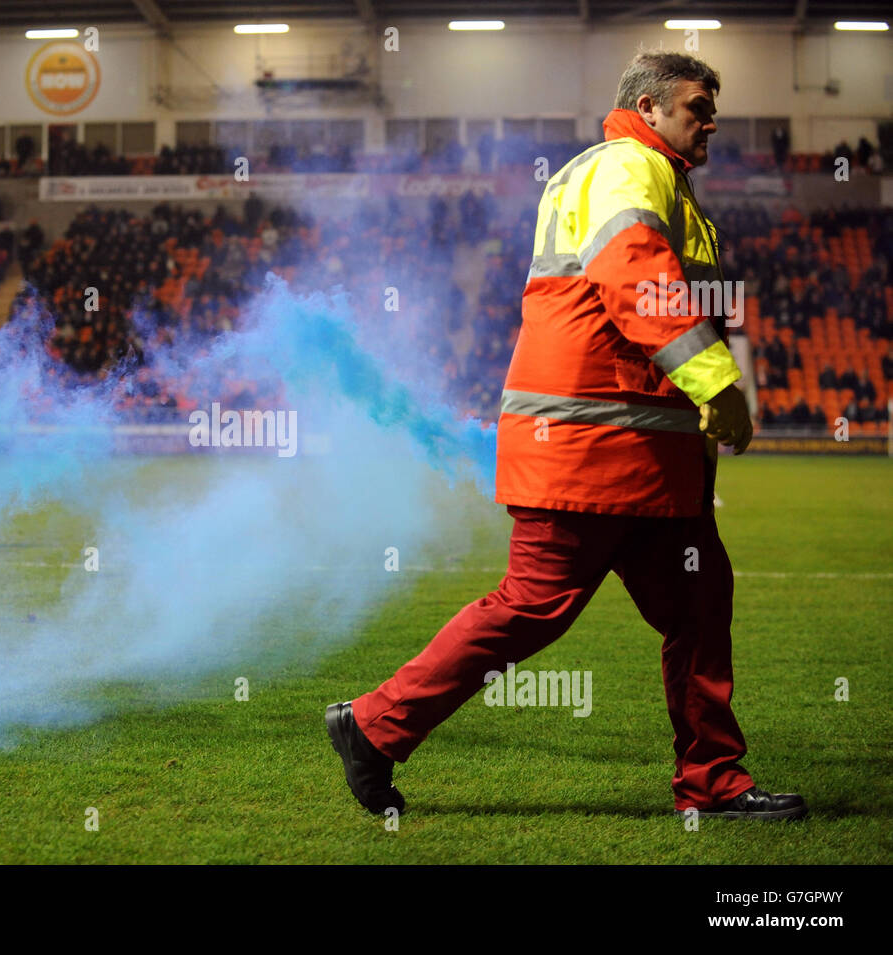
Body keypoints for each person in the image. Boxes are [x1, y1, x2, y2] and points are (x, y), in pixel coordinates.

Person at [326, 51, 806, 822]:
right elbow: (632, 274)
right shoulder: (627, 167)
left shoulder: (641, 177)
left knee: (693, 604)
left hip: (633, 459)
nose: (710, 119)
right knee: (532, 608)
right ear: (646, 108)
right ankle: (374, 723)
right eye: (694, 105)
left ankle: (713, 782)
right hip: (593, 450)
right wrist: (714, 380)